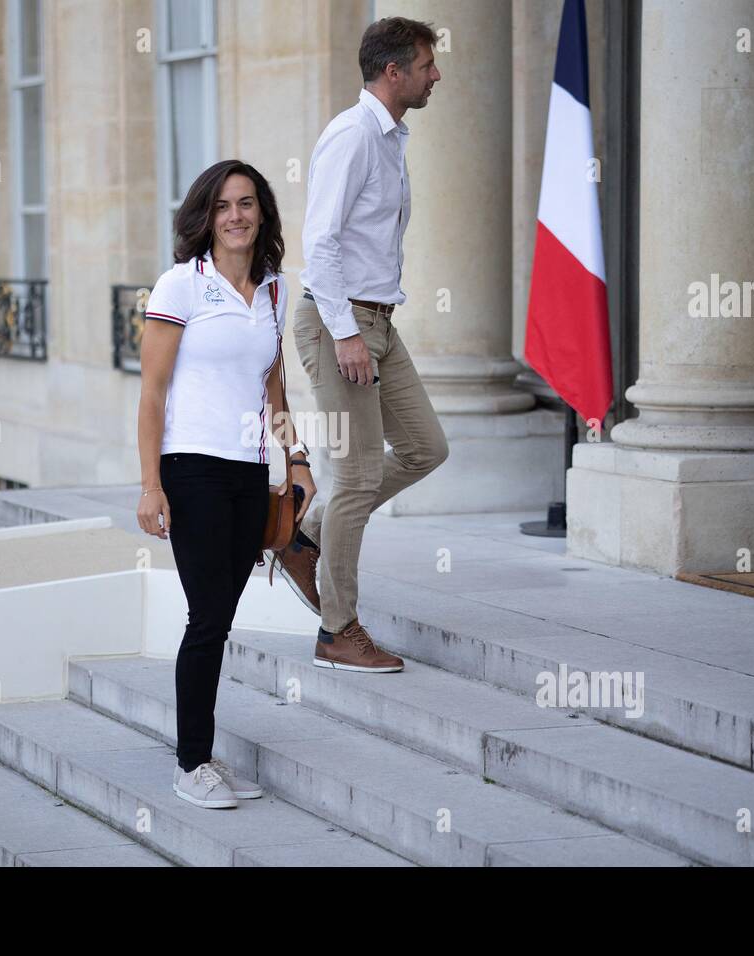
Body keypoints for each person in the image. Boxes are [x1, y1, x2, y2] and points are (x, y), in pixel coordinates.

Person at [265, 16, 448, 672]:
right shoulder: (352, 135)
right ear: (393, 72)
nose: (436, 76)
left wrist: (365, 330)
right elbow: (321, 242)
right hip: (341, 323)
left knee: (428, 447)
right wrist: (345, 333)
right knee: (359, 475)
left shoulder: (392, 138)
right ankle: (337, 630)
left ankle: (307, 537)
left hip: (379, 325)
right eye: (427, 65)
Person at [136, 160, 316, 809]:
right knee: (207, 617)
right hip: (191, 470)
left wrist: (296, 460)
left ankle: (202, 755)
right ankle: (191, 765)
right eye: (222, 206)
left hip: (249, 475)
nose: (236, 215)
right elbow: (152, 393)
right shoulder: (181, 286)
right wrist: (151, 485)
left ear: (262, 212)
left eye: (246, 203)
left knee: (219, 616)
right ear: (204, 218)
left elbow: (272, 387)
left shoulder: (273, 290)